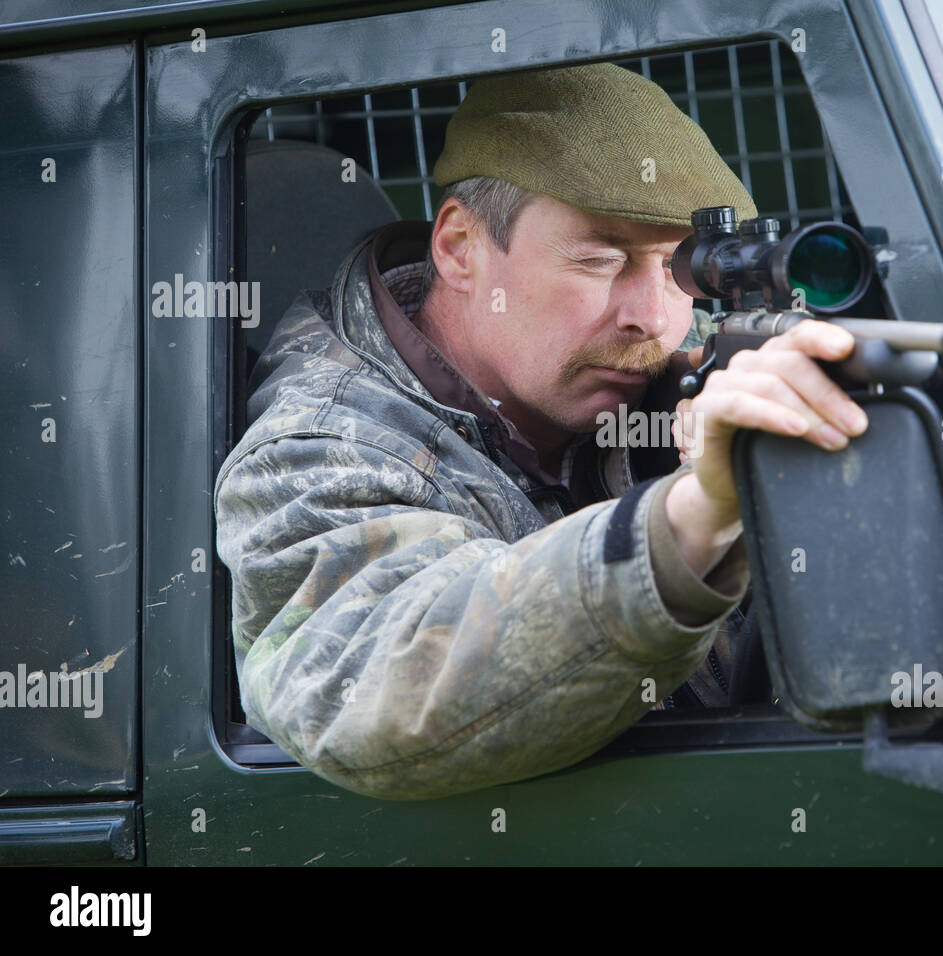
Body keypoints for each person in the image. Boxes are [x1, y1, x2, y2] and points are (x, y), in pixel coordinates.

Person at [214, 62, 868, 800]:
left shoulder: (671, 368)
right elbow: (375, 689)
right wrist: (694, 514)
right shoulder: (319, 450)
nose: (651, 318)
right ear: (460, 248)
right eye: (600, 261)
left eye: (679, 272)